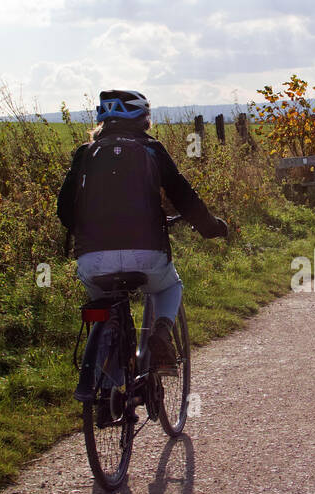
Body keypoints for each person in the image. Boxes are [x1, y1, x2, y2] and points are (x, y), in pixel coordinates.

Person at [59, 90, 229, 402]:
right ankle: (162, 333)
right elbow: (184, 196)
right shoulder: (151, 149)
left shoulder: (85, 153)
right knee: (168, 287)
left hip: (93, 259)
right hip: (147, 254)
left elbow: (65, 211)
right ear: (142, 118)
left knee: (105, 309)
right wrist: (211, 227)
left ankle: (109, 390)